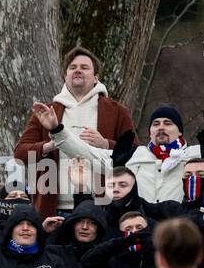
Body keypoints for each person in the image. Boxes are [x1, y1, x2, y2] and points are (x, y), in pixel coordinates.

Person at [12, 48, 135, 216]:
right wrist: (47, 147)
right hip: (54, 210)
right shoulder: (46, 113)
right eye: (72, 67)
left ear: (96, 77)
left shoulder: (118, 111)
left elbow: (135, 155)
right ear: (65, 76)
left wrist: (106, 143)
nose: (78, 70)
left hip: (102, 208)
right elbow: (19, 153)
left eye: (84, 67)